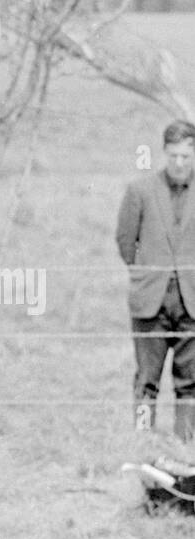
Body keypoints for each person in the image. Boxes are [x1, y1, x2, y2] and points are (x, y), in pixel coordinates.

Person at [116, 119, 195, 442]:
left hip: (192, 302)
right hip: (150, 302)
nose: (179, 163)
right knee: (147, 379)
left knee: (189, 381)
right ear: (164, 152)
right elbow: (125, 240)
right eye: (174, 155)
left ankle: (187, 447)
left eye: (186, 156)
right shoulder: (141, 190)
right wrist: (147, 274)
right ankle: (142, 442)